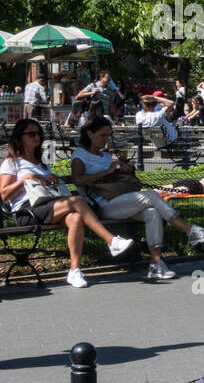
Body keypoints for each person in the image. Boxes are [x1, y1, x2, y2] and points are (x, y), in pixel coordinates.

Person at [70, 116, 204, 279]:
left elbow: (113, 178)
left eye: (108, 135)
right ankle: (189, 230)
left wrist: (124, 170)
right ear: (89, 134)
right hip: (101, 205)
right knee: (151, 196)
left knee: (152, 212)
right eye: (102, 135)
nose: (106, 139)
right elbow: (77, 180)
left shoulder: (106, 156)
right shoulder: (80, 155)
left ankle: (156, 264)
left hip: (121, 199)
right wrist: (107, 172)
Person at [0, 119, 137, 288]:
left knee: (75, 218)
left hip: (49, 203)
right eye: (31, 134)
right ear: (20, 137)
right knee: (77, 200)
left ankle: (74, 271)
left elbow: (44, 186)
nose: (37, 137)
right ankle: (111, 241)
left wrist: (52, 178)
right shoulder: (12, 162)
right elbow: (4, 194)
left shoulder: (41, 162)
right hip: (26, 210)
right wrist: (25, 179)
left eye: (39, 133)